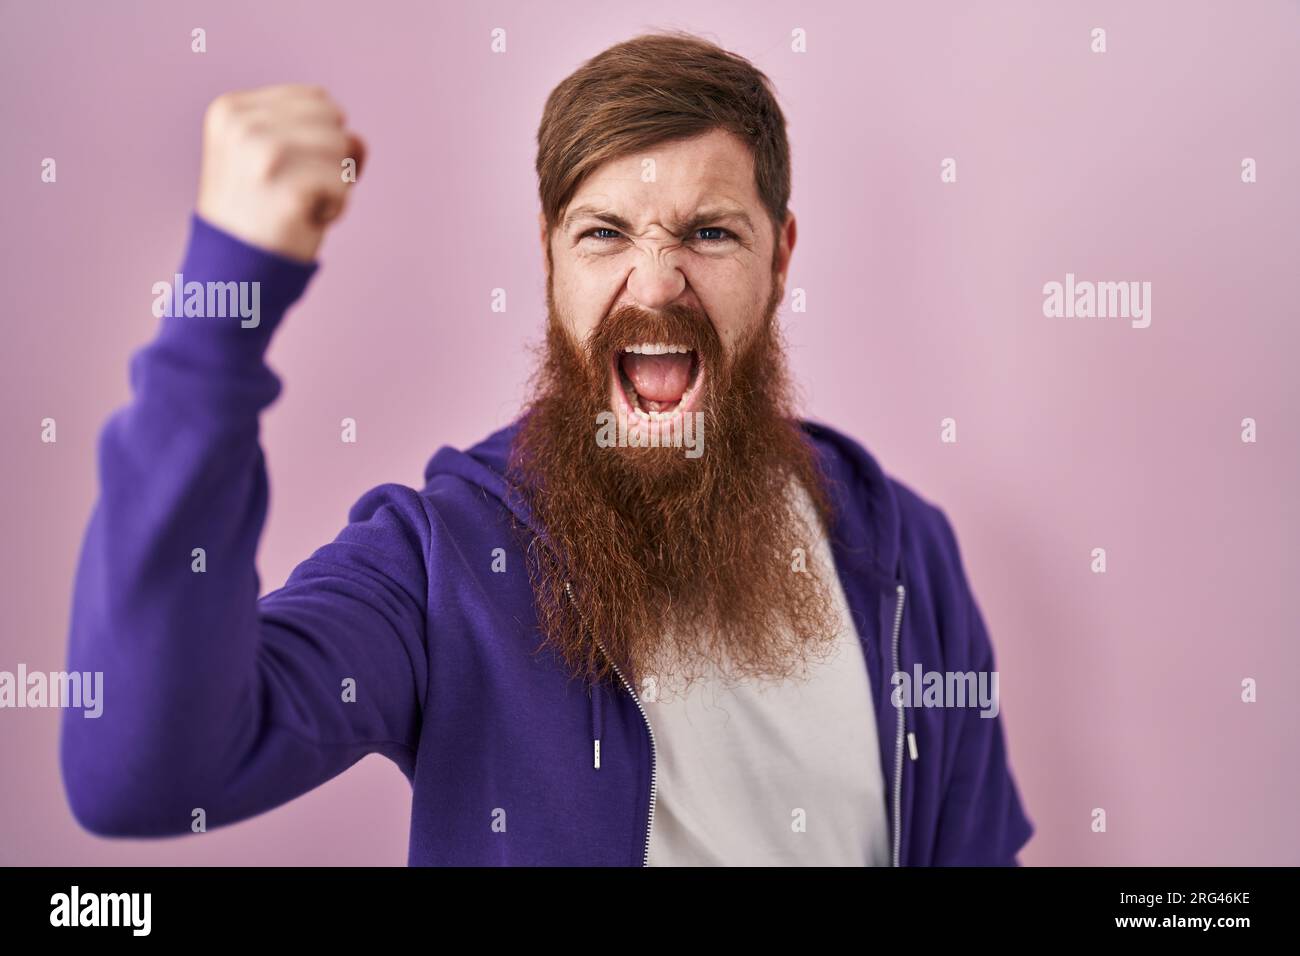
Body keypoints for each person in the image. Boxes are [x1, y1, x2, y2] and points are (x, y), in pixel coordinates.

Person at [61, 30, 1032, 866]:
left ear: (780, 258)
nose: (656, 284)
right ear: (548, 256)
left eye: (708, 231)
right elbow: (138, 772)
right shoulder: (440, 560)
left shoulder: (904, 551)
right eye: (605, 231)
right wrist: (220, 304)